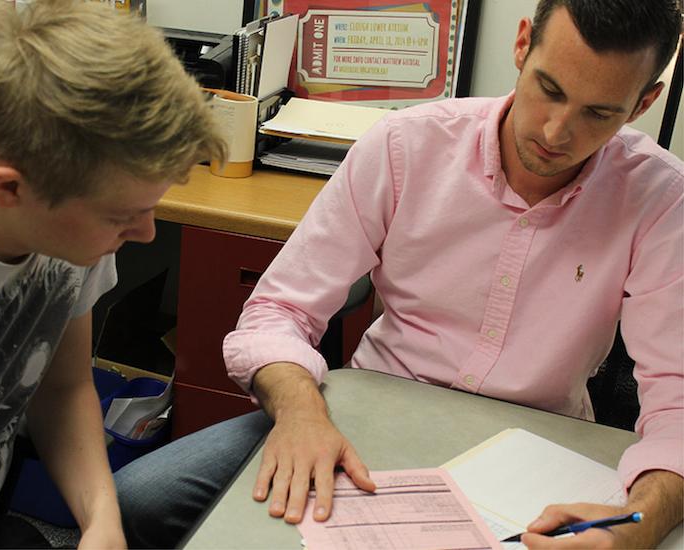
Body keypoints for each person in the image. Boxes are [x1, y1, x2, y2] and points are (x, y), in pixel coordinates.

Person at [116, 0, 684, 548]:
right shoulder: (406, 144)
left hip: (540, 439)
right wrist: (300, 411)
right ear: (520, 46)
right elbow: (277, 311)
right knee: (139, 499)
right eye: (549, 89)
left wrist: (640, 520)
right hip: (373, 406)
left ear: (642, 104)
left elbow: (678, 399)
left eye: (598, 113)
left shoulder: (658, 198)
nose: (557, 133)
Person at [0, 0, 226, 547]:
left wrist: (101, 517)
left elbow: (62, 388)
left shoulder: (68, 230)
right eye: (122, 215)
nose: (146, 234)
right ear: (10, 189)